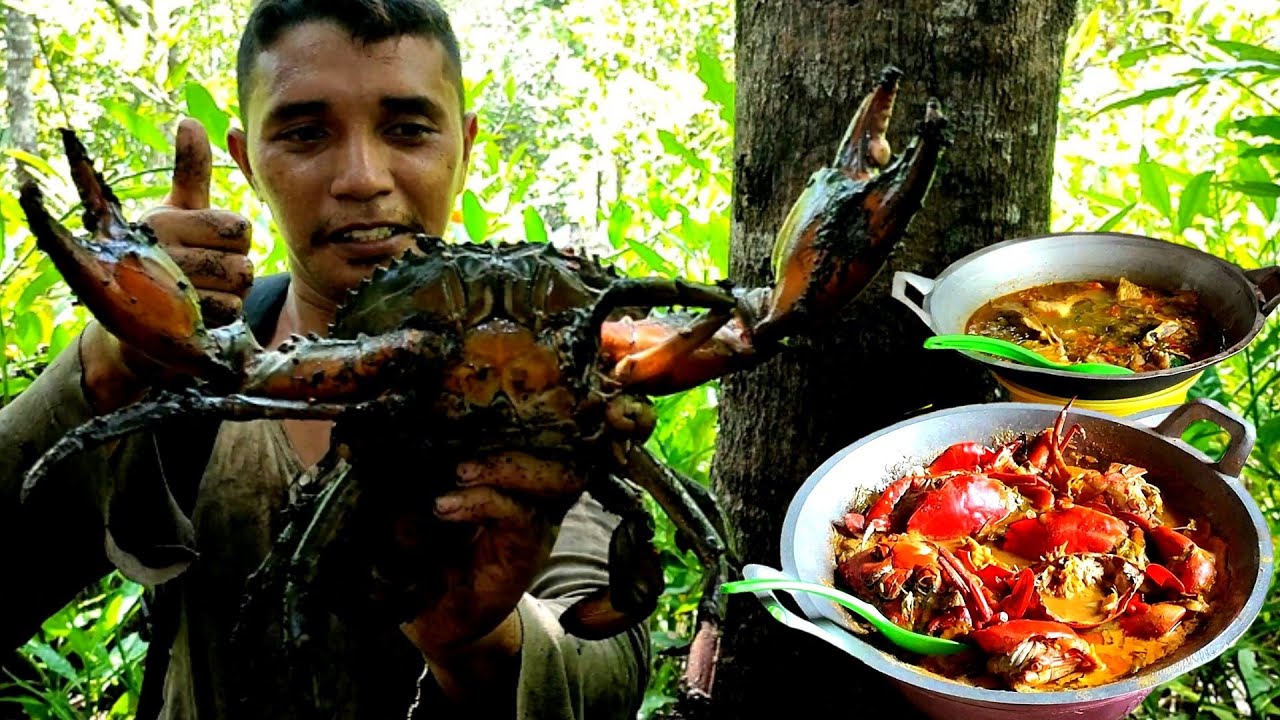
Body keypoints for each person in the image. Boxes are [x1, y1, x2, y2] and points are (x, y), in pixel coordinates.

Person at [0, 0, 651, 717]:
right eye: (306, 133)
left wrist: (479, 641)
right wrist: (105, 369)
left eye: (408, 129)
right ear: (247, 161)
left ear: (465, 147)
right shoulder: (183, 376)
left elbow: (610, 668)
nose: (362, 178)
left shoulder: (549, 381)